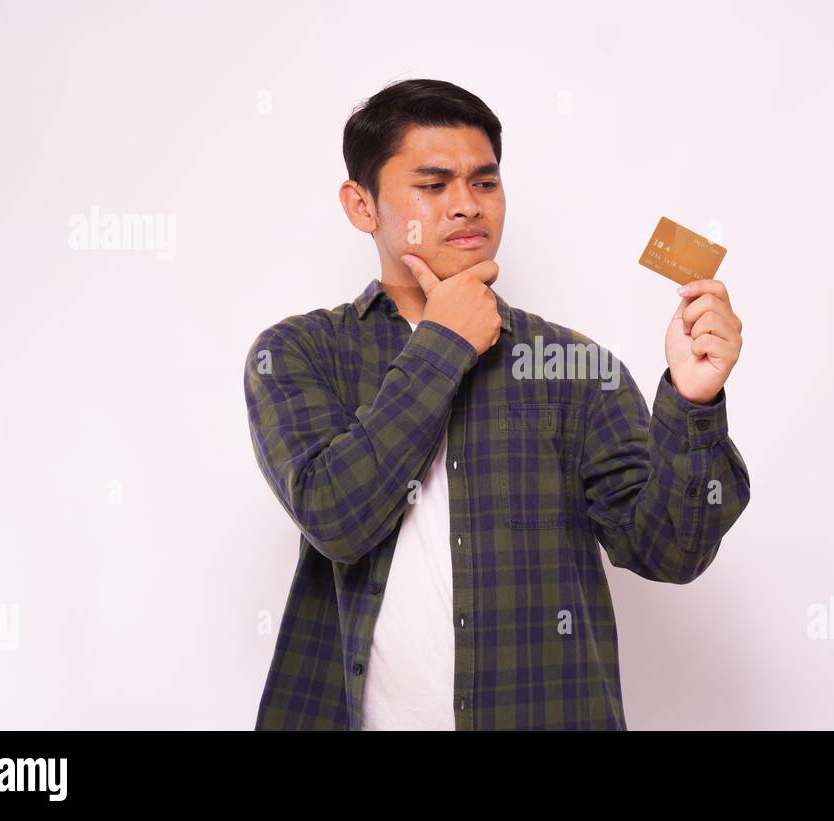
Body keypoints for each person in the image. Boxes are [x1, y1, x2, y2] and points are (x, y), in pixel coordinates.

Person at [243, 78, 750, 730]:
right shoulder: (298, 353)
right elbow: (336, 515)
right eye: (433, 185)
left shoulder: (576, 368)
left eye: (484, 183)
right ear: (361, 205)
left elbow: (670, 550)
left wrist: (692, 399)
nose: (466, 207)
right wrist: (444, 343)